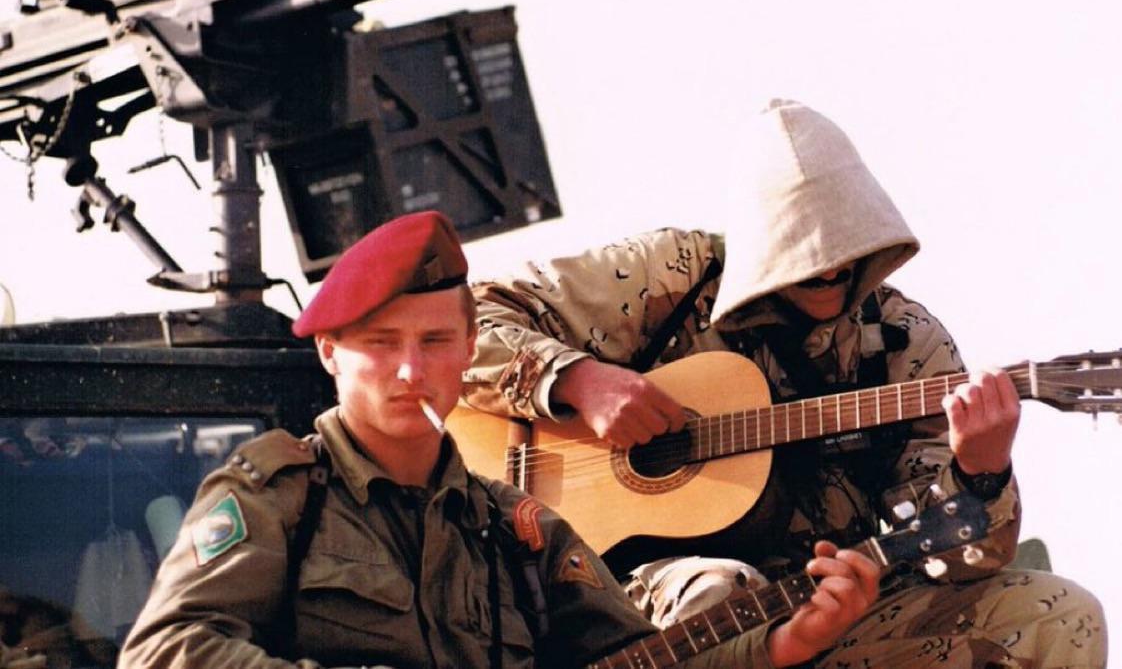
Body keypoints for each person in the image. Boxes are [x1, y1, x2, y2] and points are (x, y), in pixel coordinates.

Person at [462, 101, 1107, 668]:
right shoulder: (674, 276)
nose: (829, 274)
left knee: (1057, 614)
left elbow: (954, 561)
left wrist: (982, 471)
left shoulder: (908, 344)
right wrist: (579, 380)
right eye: (804, 261)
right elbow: (464, 323)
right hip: (631, 603)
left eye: (844, 259)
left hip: (834, 609)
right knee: (719, 591)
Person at [118, 210, 879, 669]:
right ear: (330, 354)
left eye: (435, 341)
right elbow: (163, 650)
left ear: (472, 345)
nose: (411, 370)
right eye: (380, 343)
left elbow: (635, 659)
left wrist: (785, 641)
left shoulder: (522, 532)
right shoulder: (278, 497)